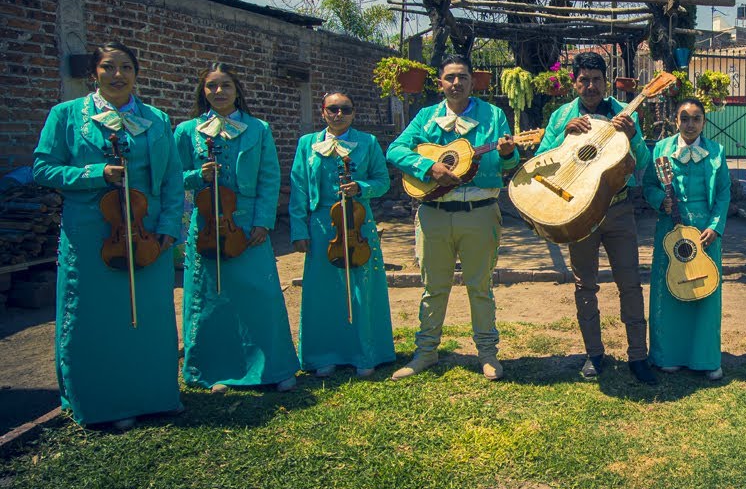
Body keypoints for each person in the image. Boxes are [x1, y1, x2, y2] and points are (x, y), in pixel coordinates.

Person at [33, 42, 184, 429]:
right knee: (94, 317)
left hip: (147, 233)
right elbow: (43, 169)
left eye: (126, 68)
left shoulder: (156, 118)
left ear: (137, 73)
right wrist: (95, 174)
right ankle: (102, 403)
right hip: (90, 234)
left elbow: (170, 179)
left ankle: (153, 395)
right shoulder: (67, 116)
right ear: (94, 74)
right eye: (108, 67)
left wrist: (169, 227)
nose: (118, 75)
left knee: (150, 316)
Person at [387, 54, 517, 381]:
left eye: (462, 77)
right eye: (450, 78)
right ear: (440, 83)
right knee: (433, 287)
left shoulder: (494, 115)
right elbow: (395, 150)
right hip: (434, 214)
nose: (456, 83)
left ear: (472, 82)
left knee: (480, 287)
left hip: (480, 212)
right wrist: (427, 167)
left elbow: (506, 163)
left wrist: (507, 153)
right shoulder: (426, 117)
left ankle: (488, 354)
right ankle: (426, 352)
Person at [174, 64, 299, 393]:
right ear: (203, 92)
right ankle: (216, 371)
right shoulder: (188, 131)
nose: (219, 92)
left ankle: (273, 368)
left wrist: (262, 221)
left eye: (225, 85)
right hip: (207, 226)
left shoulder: (258, 128)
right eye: (211, 86)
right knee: (213, 297)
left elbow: (269, 178)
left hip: (248, 224)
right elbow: (172, 176)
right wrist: (196, 176)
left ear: (237, 90)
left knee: (262, 294)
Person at [536, 51, 656, 384]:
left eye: (597, 80)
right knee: (585, 285)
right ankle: (594, 354)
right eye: (584, 80)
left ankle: (638, 357)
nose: (591, 86)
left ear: (606, 82)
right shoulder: (561, 116)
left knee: (630, 284)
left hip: (618, 210)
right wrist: (563, 137)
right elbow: (540, 161)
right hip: (579, 212)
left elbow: (643, 160)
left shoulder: (623, 113)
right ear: (574, 83)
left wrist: (631, 136)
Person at [290, 92, 395, 378]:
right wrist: (299, 229)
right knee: (323, 290)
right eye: (332, 109)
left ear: (353, 112)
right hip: (322, 224)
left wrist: (360, 186)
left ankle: (365, 352)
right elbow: (299, 187)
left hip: (358, 222)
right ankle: (323, 354)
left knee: (363, 287)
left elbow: (383, 182)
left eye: (345, 109)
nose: (339, 114)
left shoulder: (368, 143)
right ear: (322, 111)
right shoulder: (307, 144)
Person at [642, 98, 731, 380]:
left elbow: (724, 193)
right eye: (684, 118)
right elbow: (649, 185)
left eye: (696, 118)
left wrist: (715, 227)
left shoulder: (716, 151)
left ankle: (705, 358)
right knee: (669, 290)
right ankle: (668, 355)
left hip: (706, 233)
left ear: (704, 121)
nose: (690, 124)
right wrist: (660, 201)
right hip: (671, 230)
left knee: (706, 291)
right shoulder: (662, 149)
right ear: (675, 120)